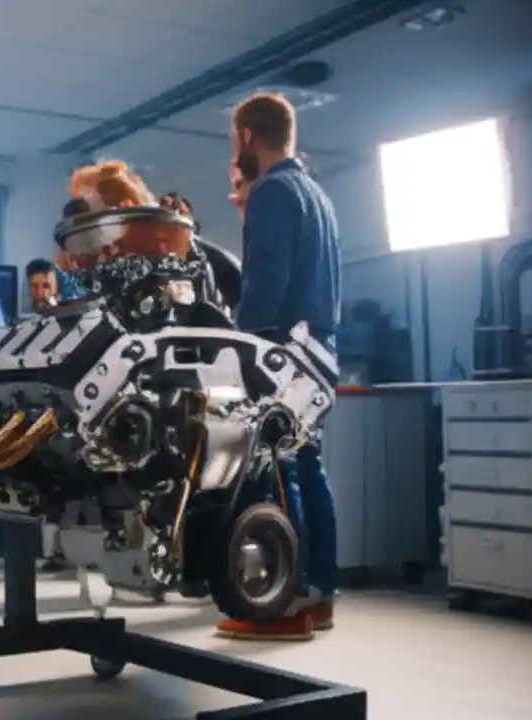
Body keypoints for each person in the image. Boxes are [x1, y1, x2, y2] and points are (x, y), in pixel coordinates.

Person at [215, 92, 342, 641]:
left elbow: (266, 282)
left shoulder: (271, 191)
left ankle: (287, 603)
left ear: (247, 137)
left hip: (284, 350)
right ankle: (319, 594)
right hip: (321, 349)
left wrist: (238, 345)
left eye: (234, 140)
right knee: (308, 468)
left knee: (279, 470)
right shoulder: (316, 194)